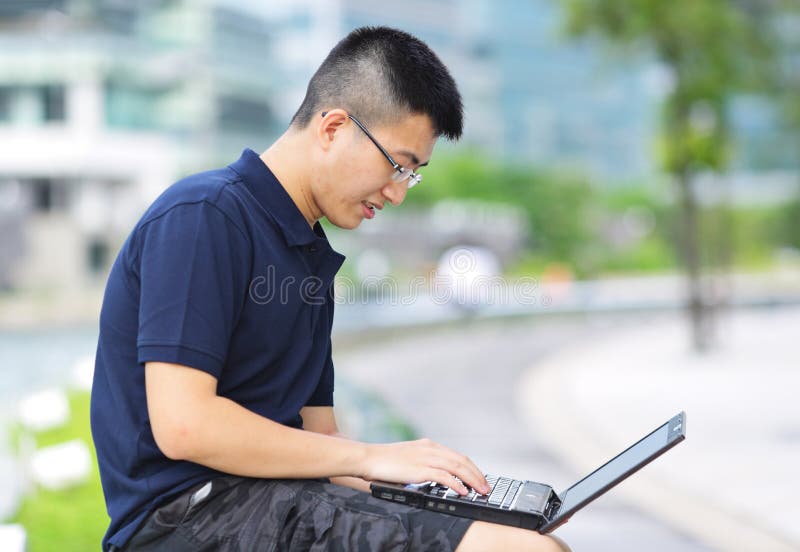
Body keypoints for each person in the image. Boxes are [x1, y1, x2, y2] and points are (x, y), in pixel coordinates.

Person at [90, 26, 571, 552]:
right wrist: (370, 457)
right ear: (335, 127)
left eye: (412, 175)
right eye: (397, 165)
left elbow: (320, 440)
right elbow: (185, 425)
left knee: (520, 535)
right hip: (189, 519)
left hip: (272, 500)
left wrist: (433, 491)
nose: (397, 193)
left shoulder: (308, 253)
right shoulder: (205, 216)